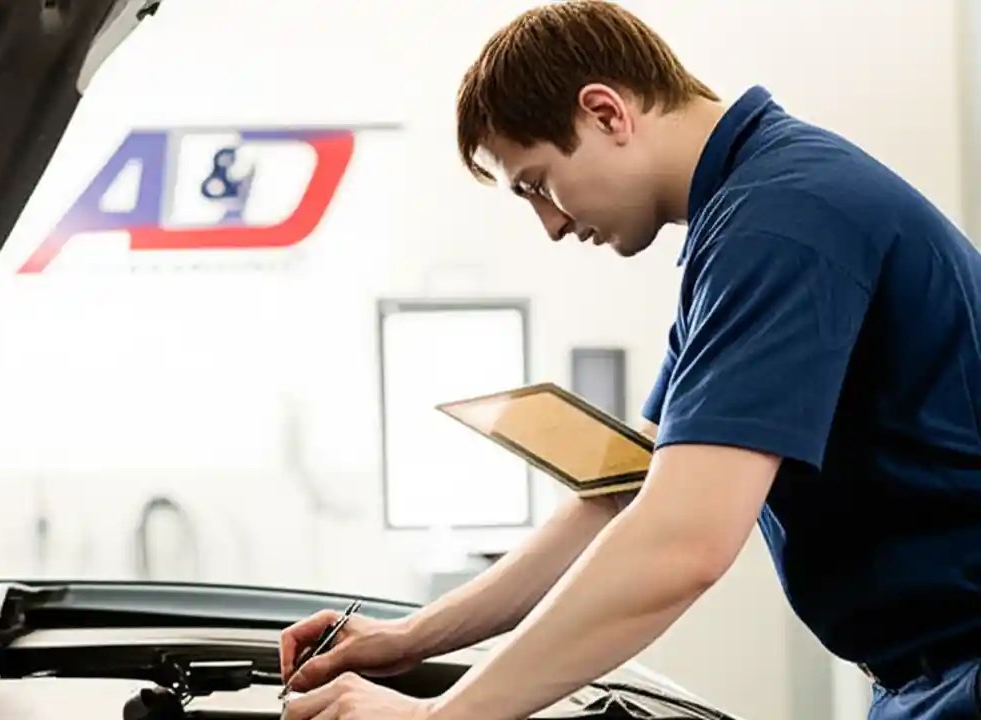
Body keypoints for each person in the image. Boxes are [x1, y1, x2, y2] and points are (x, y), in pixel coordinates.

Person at [277, 2, 981, 719]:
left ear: (606, 113)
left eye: (535, 184)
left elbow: (683, 542)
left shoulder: (783, 221)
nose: (550, 224)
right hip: (927, 679)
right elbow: (625, 493)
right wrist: (410, 639)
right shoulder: (746, 216)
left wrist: (440, 717)